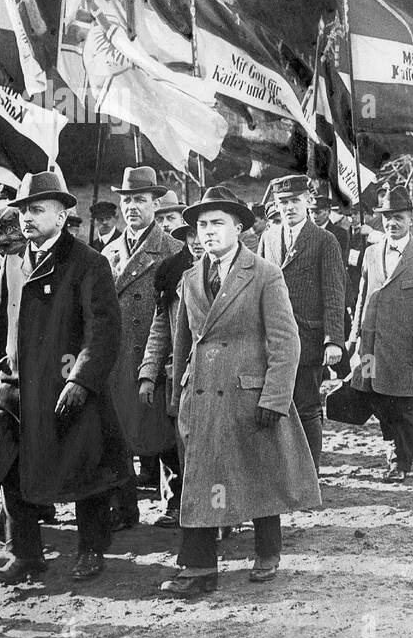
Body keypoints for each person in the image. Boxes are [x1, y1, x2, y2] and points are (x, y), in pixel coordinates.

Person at [160, 186, 321, 596]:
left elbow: (286, 341)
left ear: (238, 227)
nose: (208, 232)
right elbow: (184, 341)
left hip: (248, 394)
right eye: (201, 225)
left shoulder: (264, 273)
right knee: (202, 478)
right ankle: (198, 566)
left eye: (217, 224)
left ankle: (267, 550)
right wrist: (179, 393)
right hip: (202, 394)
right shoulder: (189, 278)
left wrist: (275, 397)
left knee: (258, 472)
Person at [0, 170, 129, 584]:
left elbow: (103, 332)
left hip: (67, 389)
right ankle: (24, 554)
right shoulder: (11, 261)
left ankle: (91, 550)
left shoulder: (88, 264)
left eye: (37, 210)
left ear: (61, 217)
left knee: (84, 471)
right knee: (7, 465)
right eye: (23, 210)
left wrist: (81, 381)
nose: (27, 218)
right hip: (14, 389)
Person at [101, 166, 183, 524]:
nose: (132, 207)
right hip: (118, 358)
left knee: (164, 435)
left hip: (158, 355)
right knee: (119, 434)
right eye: (127, 200)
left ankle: (175, 501)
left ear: (154, 203)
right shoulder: (109, 252)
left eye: (139, 199)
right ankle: (124, 507)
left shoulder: (174, 250)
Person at [350, 186, 413, 482]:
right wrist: (354, 335)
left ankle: (400, 463)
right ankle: (392, 452)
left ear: (411, 221)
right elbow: (362, 296)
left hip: (408, 349)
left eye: (399, 217)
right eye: (388, 217)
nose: (392, 223)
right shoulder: (370, 253)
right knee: (376, 397)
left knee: (405, 406)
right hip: (371, 346)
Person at [257, 175, 346, 469]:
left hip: (307, 337)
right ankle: (281, 469)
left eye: (295, 201)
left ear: (308, 201)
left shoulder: (324, 240)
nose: (289, 207)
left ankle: (308, 473)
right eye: (283, 202)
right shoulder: (268, 238)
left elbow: (334, 293)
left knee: (307, 407)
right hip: (271, 338)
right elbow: (255, 286)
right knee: (273, 404)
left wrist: (333, 340)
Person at [137, 222, 203, 527]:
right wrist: (149, 373)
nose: (199, 241)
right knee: (182, 448)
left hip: (225, 377)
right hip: (183, 376)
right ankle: (185, 509)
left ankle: (222, 514)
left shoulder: (237, 275)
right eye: (192, 235)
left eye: (205, 232)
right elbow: (160, 327)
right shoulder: (173, 276)